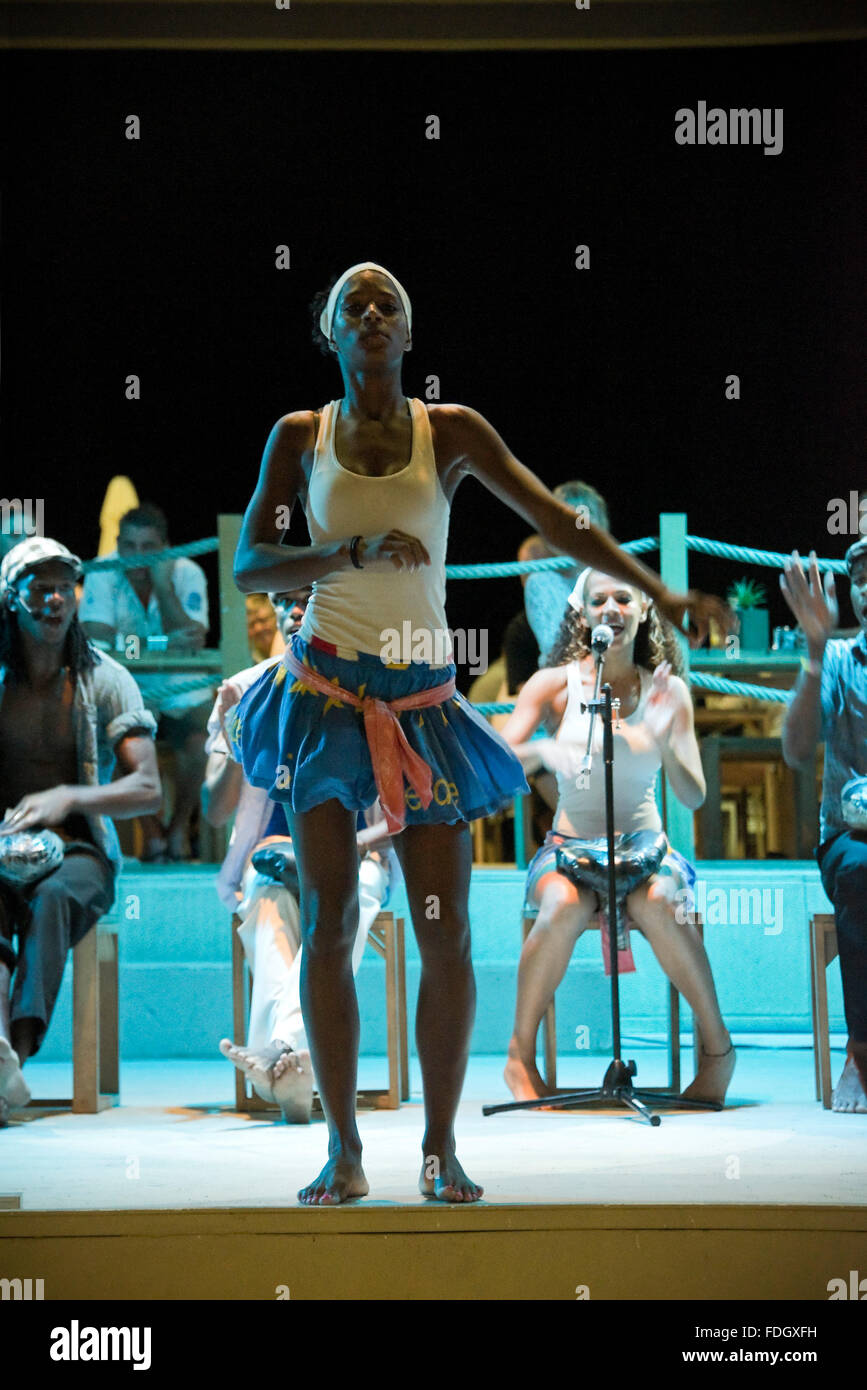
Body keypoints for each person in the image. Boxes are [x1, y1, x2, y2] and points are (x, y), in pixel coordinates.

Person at [231, 260, 731, 1205]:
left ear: (408, 336)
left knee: (446, 930)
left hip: (423, 705)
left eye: (390, 306)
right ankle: (342, 1148)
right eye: (353, 307)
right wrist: (342, 552)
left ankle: (437, 1150)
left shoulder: (448, 431)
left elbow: (555, 520)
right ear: (330, 334)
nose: (372, 315)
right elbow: (252, 562)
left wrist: (662, 590)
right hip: (327, 699)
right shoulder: (300, 435)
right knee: (333, 920)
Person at [499, 567, 735, 1106]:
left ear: (645, 610)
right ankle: (519, 1055)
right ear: (582, 613)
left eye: (624, 598)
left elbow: (694, 794)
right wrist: (538, 752)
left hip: (647, 850)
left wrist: (664, 738)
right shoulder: (554, 684)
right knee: (560, 903)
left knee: (658, 902)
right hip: (569, 849)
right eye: (599, 599)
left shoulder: (668, 687)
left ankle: (719, 1053)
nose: (612, 608)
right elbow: (500, 751)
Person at [202, 588, 398, 1122]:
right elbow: (215, 812)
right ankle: (296, 1064)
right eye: (285, 600)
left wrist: (346, 847)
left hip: (359, 855)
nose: (294, 610)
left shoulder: (377, 684)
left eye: (308, 598)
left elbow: (401, 816)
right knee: (270, 903)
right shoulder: (246, 688)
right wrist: (236, 735)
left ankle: (282, 1055)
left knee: (342, 895)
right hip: (270, 857)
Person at [0, 538, 160, 1124]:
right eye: (39, 588)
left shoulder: (105, 676)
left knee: (53, 896)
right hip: (2, 842)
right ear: (11, 598)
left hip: (80, 851)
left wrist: (68, 796)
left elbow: (149, 788)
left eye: (64, 588)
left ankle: (13, 1056)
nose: (54, 601)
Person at [780, 542, 867, 1113]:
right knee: (862, 874)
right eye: (860, 577)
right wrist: (814, 652)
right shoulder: (836, 660)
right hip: (852, 840)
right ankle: (861, 1053)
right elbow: (795, 749)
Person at [81, 502, 212, 862]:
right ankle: (152, 833)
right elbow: (97, 635)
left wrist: (163, 585)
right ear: (119, 545)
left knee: (204, 742)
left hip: (181, 688)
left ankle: (179, 828)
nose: (137, 556)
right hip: (128, 690)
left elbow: (194, 637)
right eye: (130, 547)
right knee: (117, 740)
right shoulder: (103, 570)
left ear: (165, 547)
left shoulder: (186, 571)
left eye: (148, 547)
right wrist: (164, 643)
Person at [523, 482, 611, 664]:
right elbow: (556, 649)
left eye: (583, 520)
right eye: (567, 522)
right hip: (564, 681)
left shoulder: (615, 578)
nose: (576, 532)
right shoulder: (541, 582)